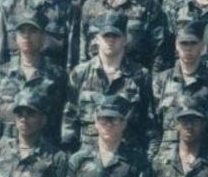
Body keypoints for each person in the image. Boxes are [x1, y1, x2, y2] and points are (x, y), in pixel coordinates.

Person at [0, 6, 67, 160]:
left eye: (33, 31)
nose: (27, 36)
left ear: (42, 37)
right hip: (7, 156)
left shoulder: (57, 76)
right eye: (22, 32)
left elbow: (63, 120)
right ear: (15, 38)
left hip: (45, 159)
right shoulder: (2, 74)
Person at [61, 11, 152, 154]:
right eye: (106, 36)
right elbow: (70, 119)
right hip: (87, 158)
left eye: (116, 36)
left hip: (128, 158)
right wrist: (71, 156)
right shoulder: (80, 73)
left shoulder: (140, 75)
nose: (111, 40)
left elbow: (149, 123)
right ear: (97, 39)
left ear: (125, 39)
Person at [149, 20, 208, 157]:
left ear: (202, 47)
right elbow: (152, 126)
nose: (188, 49)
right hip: (166, 162)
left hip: (204, 160)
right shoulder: (161, 81)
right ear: (176, 46)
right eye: (183, 44)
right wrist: (153, 158)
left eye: (193, 43)